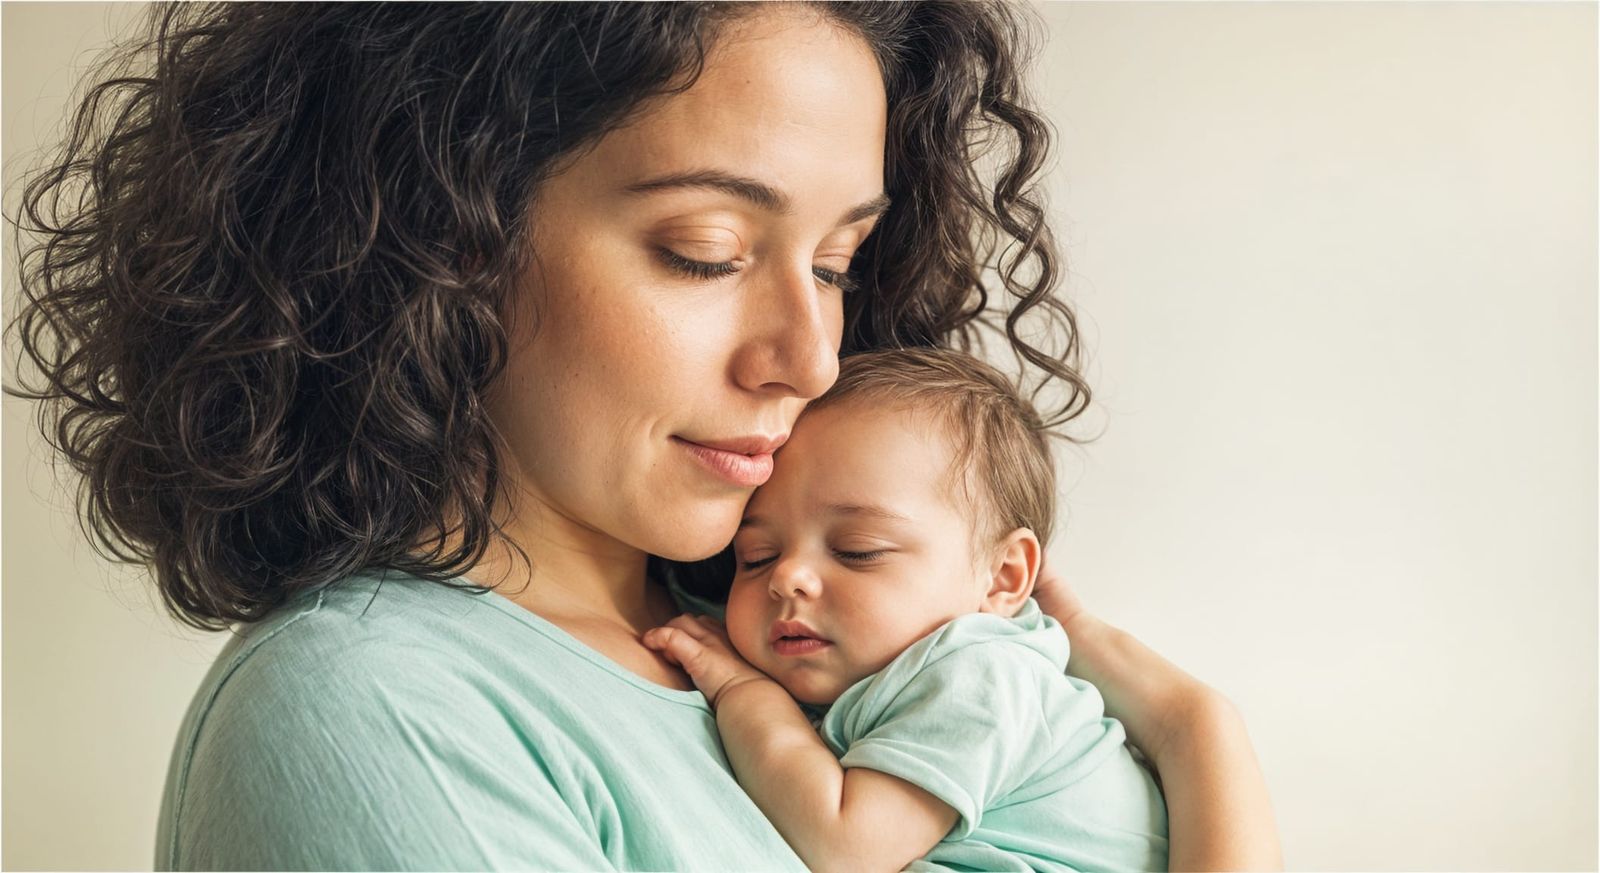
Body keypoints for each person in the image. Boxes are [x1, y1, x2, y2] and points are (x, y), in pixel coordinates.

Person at [6, 2, 1281, 870]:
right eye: (705, 252)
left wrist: (1197, 730)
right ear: (449, 235)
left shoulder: (803, 641)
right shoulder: (371, 713)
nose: (811, 356)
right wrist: (1200, 755)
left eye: (837, 262)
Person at [643, 347, 1169, 873]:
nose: (786, 578)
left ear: (1003, 577)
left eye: (857, 550)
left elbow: (846, 846)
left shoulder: (984, 676)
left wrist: (744, 693)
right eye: (756, 558)